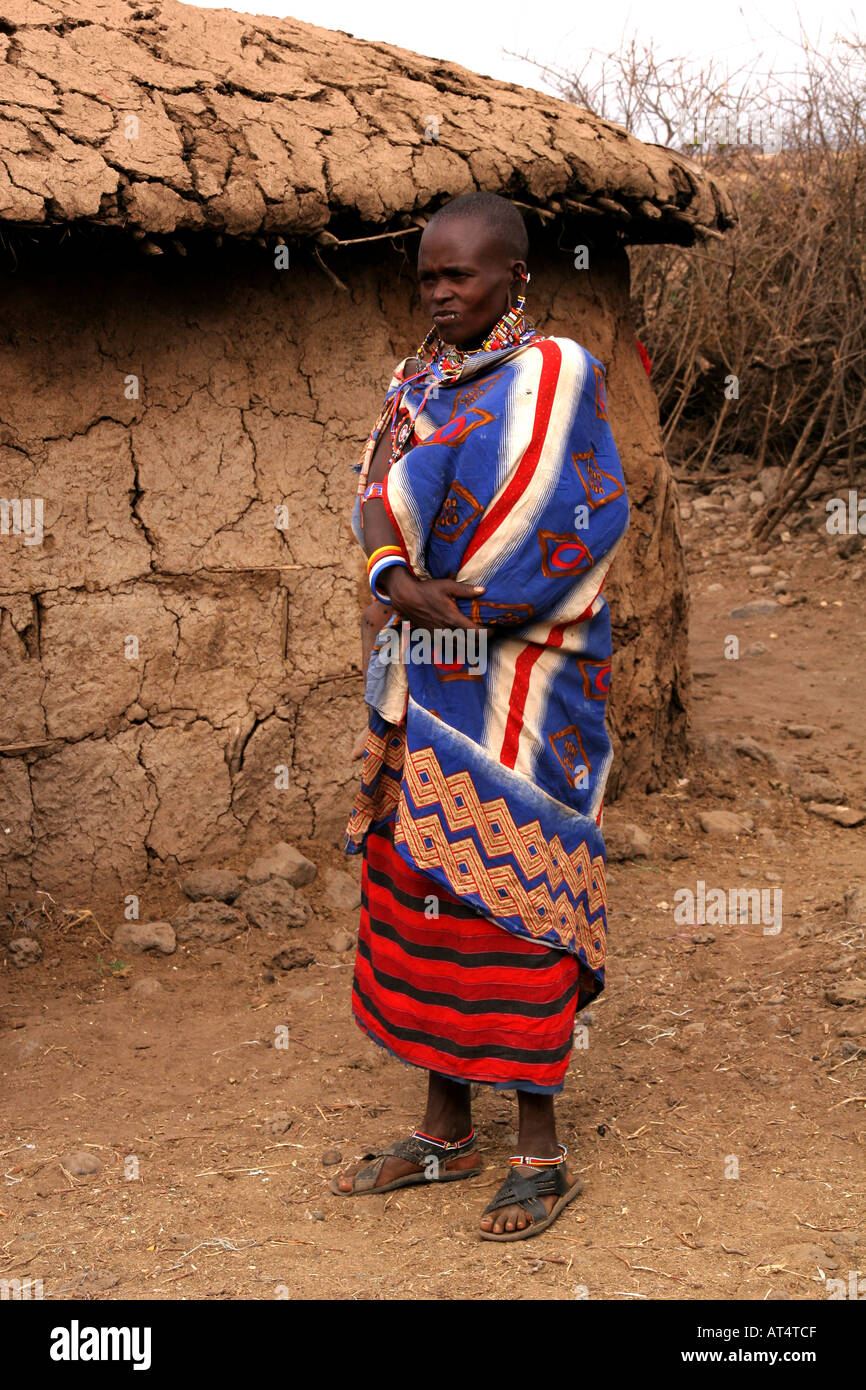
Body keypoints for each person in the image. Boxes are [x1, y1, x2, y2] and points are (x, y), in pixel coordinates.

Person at [331, 192, 630, 1240]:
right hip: (430, 669)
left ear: (514, 276)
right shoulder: (415, 383)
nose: (440, 292)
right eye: (427, 276)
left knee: (519, 897)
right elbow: (374, 491)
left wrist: (445, 593)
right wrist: (392, 574)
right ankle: (444, 1129)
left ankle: (538, 1151)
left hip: (533, 679)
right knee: (419, 885)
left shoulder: (556, 374)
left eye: (461, 274)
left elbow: (573, 512)